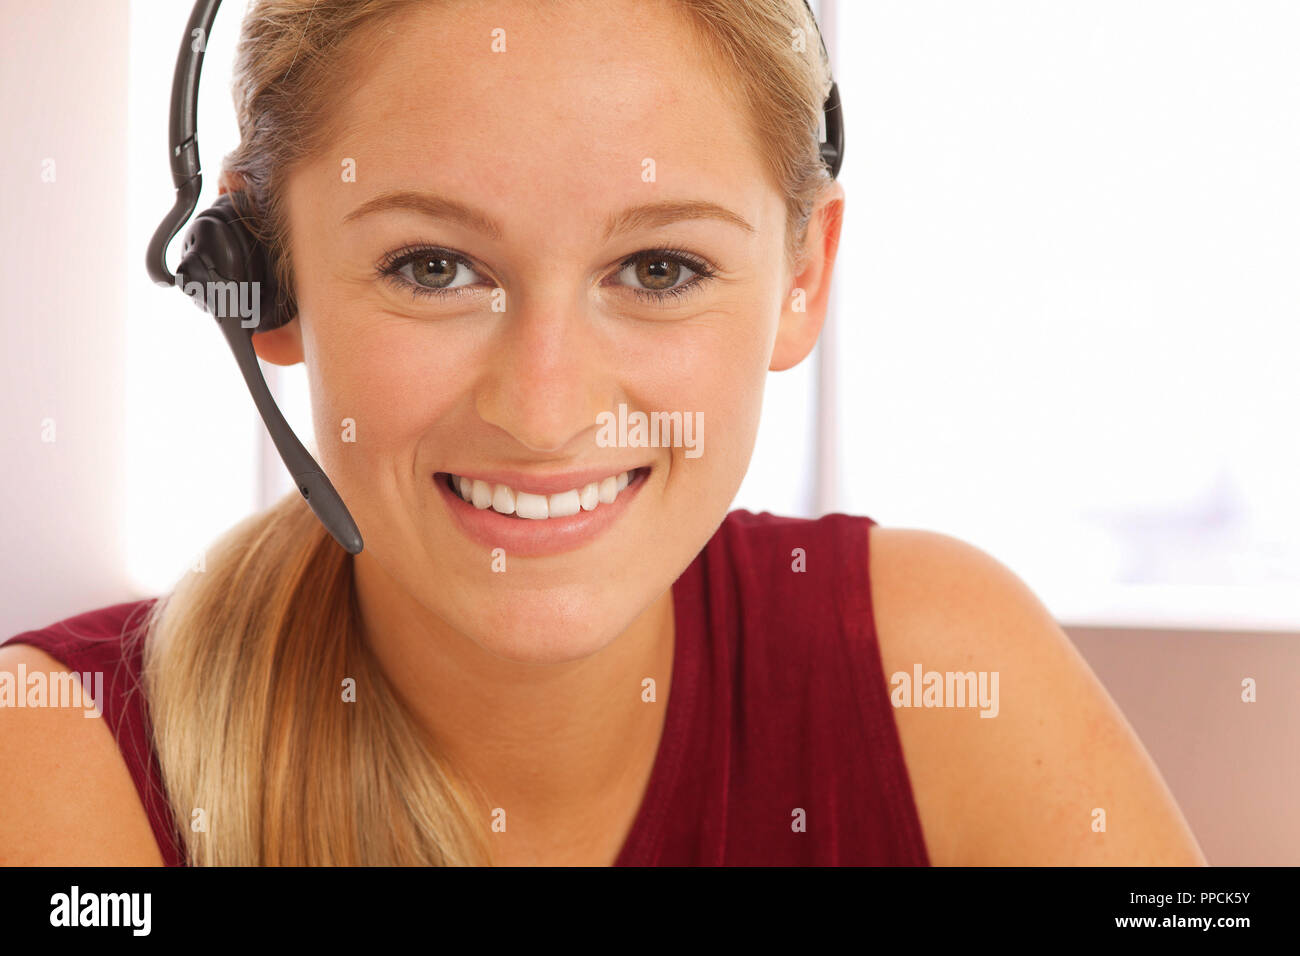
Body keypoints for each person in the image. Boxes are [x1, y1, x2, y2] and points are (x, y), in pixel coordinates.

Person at [0, 0, 1205, 866]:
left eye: (659, 266)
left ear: (802, 278)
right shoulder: (56, 763)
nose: (545, 408)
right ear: (258, 281)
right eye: (433, 266)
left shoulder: (936, 675)